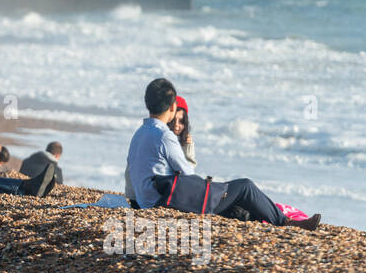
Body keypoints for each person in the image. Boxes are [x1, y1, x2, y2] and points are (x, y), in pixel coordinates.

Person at [124, 78, 321, 230]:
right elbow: (186, 172)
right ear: (172, 107)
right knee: (244, 186)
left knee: (234, 206)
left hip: (146, 201)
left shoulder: (139, 133)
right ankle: (285, 222)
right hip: (165, 203)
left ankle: (266, 220)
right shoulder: (163, 135)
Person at [169, 95, 196, 166]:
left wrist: (187, 148)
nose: (176, 125)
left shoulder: (186, 142)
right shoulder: (161, 139)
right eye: (173, 120)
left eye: (181, 121)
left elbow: (189, 170)